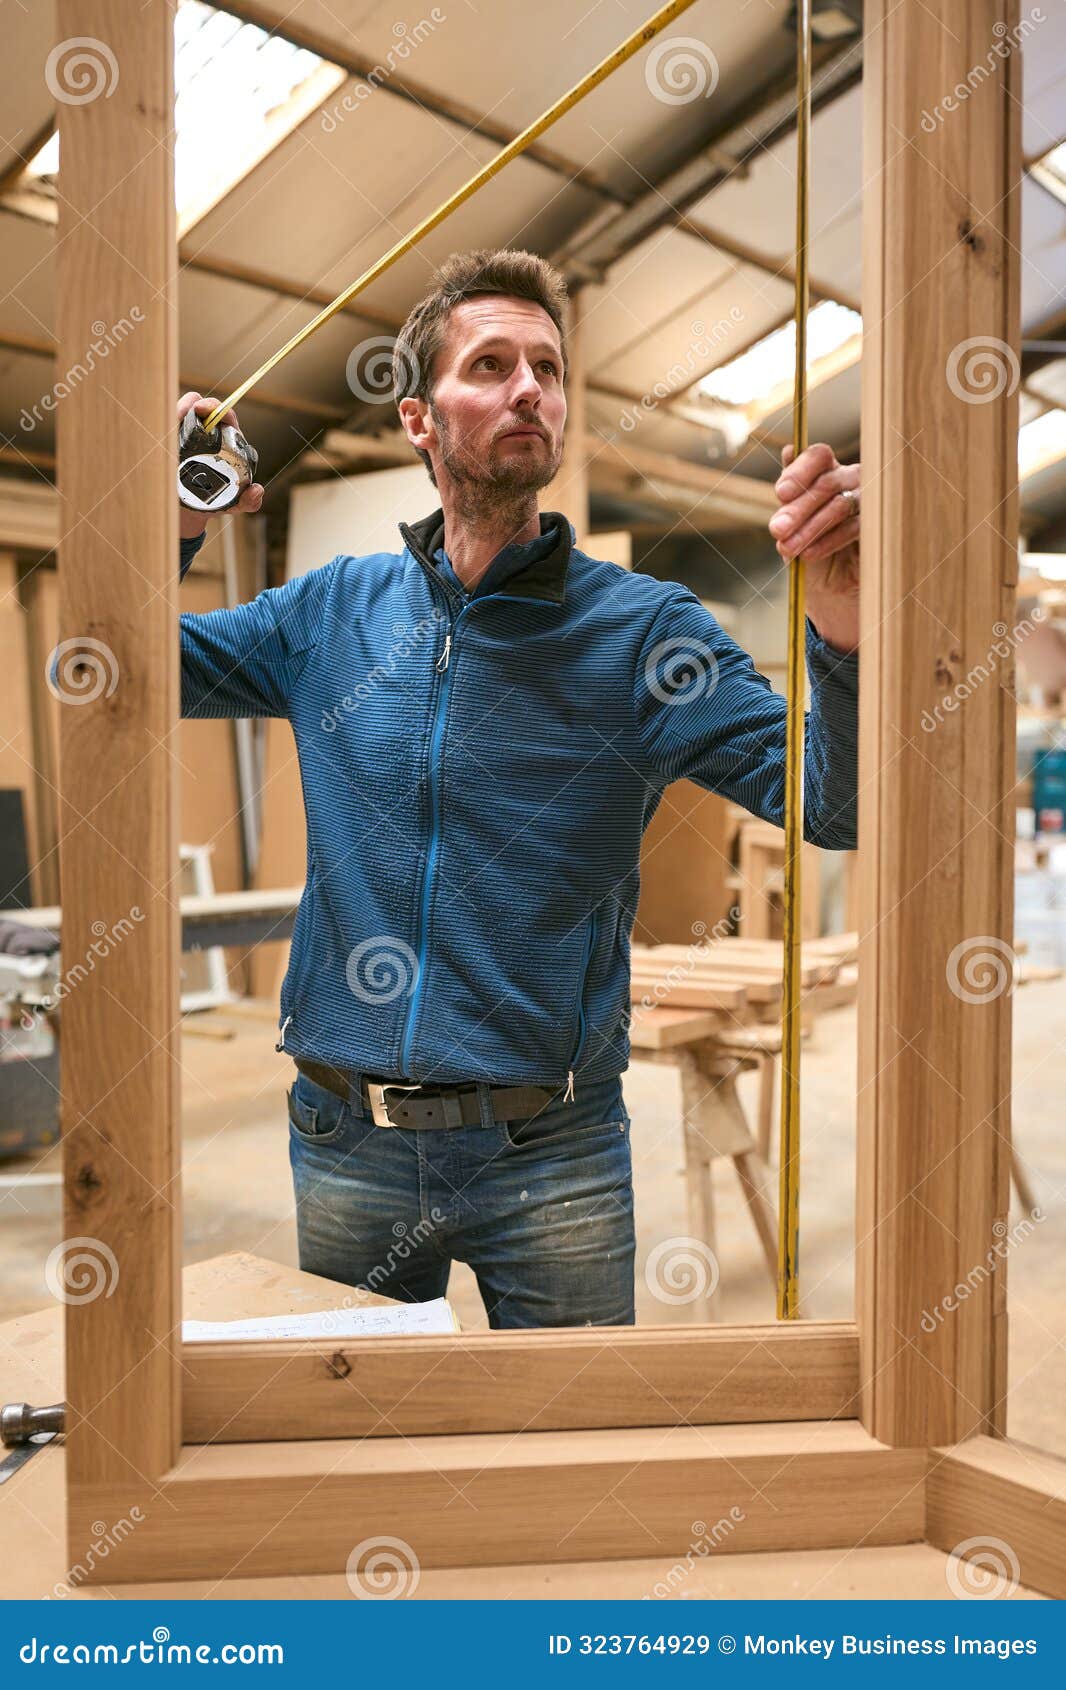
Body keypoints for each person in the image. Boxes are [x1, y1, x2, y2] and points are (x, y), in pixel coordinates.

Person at [177, 247, 860, 1329]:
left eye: (546, 366)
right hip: (346, 1136)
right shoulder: (329, 615)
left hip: (555, 1150)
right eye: (490, 363)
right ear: (417, 420)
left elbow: (838, 803)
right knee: (360, 1463)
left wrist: (844, 631)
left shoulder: (646, 633)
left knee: (574, 1466)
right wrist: (170, 527)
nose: (529, 385)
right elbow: (122, 671)